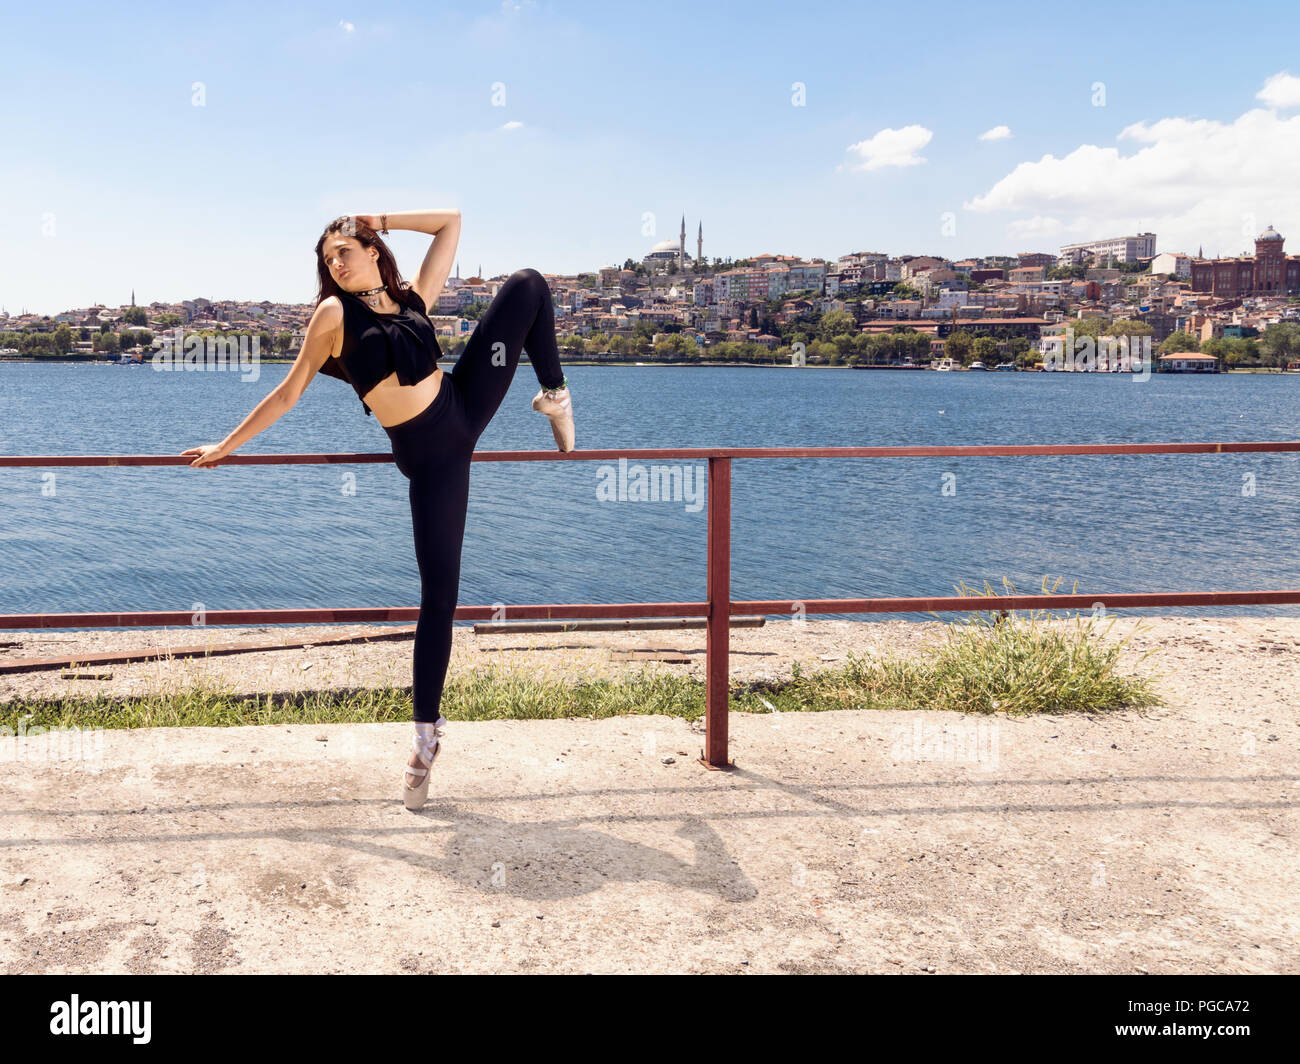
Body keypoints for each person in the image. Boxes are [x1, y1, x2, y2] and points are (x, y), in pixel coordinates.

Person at [181, 211, 576, 810]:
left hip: (465, 406)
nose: (335, 264)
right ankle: (424, 743)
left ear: (373, 249)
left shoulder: (411, 299)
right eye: (327, 259)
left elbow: (451, 224)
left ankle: (555, 395)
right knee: (439, 596)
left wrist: (384, 216)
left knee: (527, 284)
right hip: (433, 456)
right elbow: (288, 392)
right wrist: (226, 446)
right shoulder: (334, 315)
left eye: (344, 251)